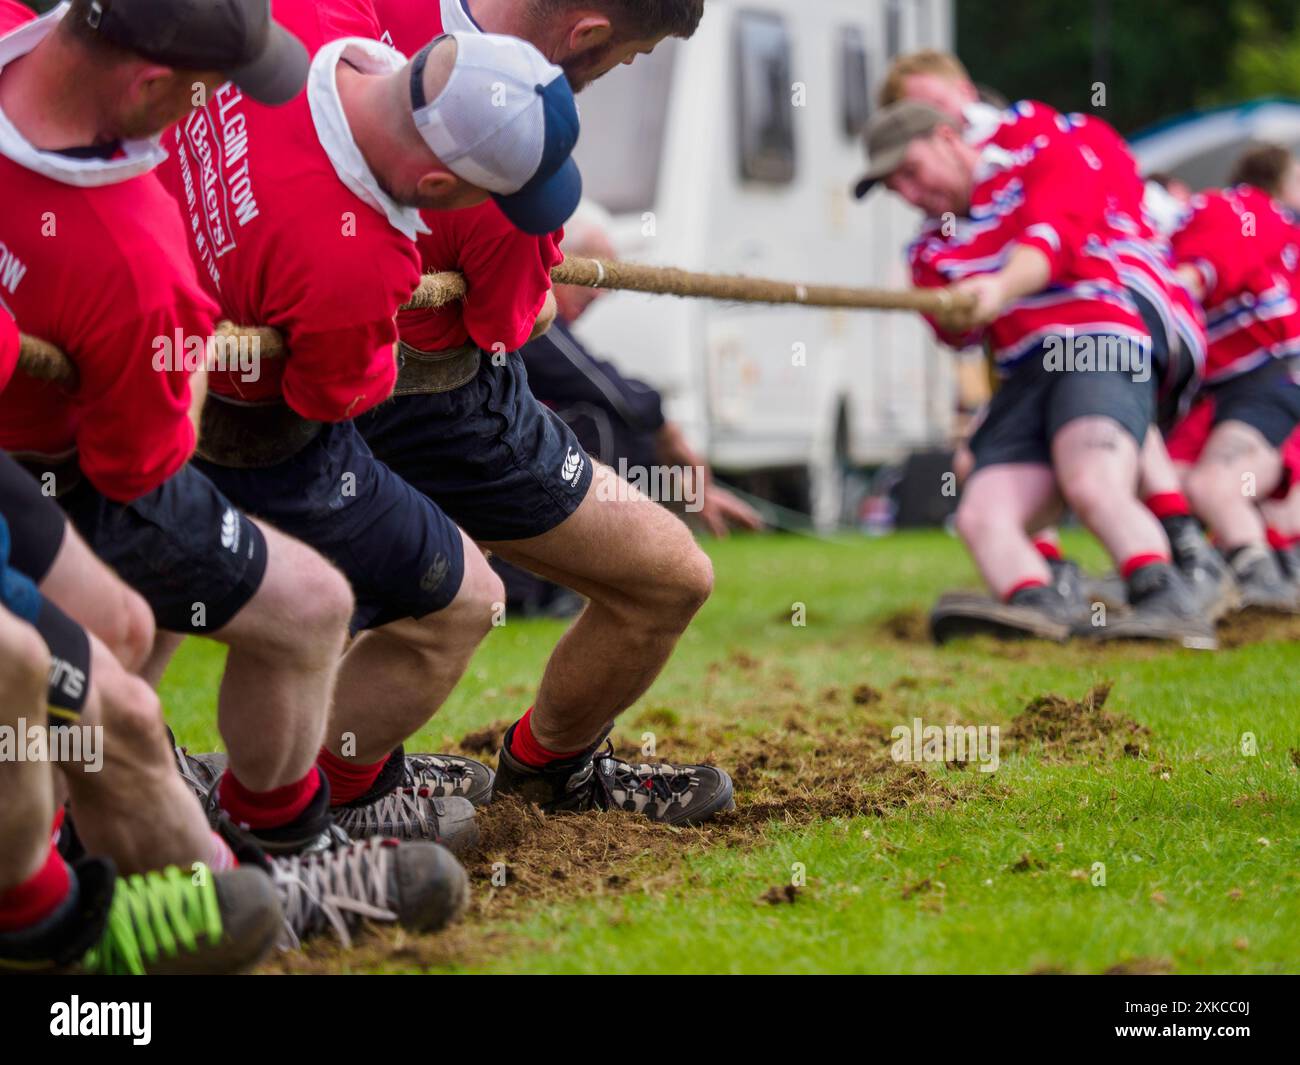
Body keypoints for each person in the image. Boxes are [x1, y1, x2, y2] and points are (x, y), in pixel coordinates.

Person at [0, 0, 468, 945]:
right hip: (73, 466)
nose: (205, 112)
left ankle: (183, 870)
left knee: (126, 630)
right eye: (203, 92)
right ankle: (238, 878)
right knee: (298, 613)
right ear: (145, 84)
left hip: (30, 479)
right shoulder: (138, 263)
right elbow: (137, 463)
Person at [157, 0, 611, 840]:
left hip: (145, 372)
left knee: (145, 625)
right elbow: (339, 397)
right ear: (440, 187)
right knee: (461, 600)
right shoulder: (363, 261)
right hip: (243, 432)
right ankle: (313, 807)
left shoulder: (312, 20)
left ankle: (224, 786)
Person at [355, 0, 735, 825]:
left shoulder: (373, 11)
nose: (616, 75)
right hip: (440, 405)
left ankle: (353, 766)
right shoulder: (513, 162)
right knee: (669, 581)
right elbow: (509, 325)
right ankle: (547, 768)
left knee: (382, 588)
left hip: (315, 386)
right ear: (589, 34)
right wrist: (538, 293)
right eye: (629, 58)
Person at [882, 49, 1232, 621]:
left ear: (947, 132)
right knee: (978, 508)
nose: (909, 193)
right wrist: (956, 312)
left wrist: (997, 289)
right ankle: (1043, 603)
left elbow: (1050, 239)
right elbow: (955, 331)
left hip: (1115, 326)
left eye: (911, 171)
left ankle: (1174, 583)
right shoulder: (932, 242)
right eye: (895, 184)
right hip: (1032, 363)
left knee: (1093, 473)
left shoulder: (1046, 146)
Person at [497, 213, 764, 613]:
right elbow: (604, 387)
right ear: (559, 262)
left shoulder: (539, 316)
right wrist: (671, 437)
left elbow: (605, 382)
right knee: (601, 422)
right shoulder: (525, 305)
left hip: (500, 459)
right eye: (591, 275)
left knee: (616, 427)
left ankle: (568, 581)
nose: (600, 294)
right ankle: (563, 582)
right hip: (488, 458)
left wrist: (684, 479)